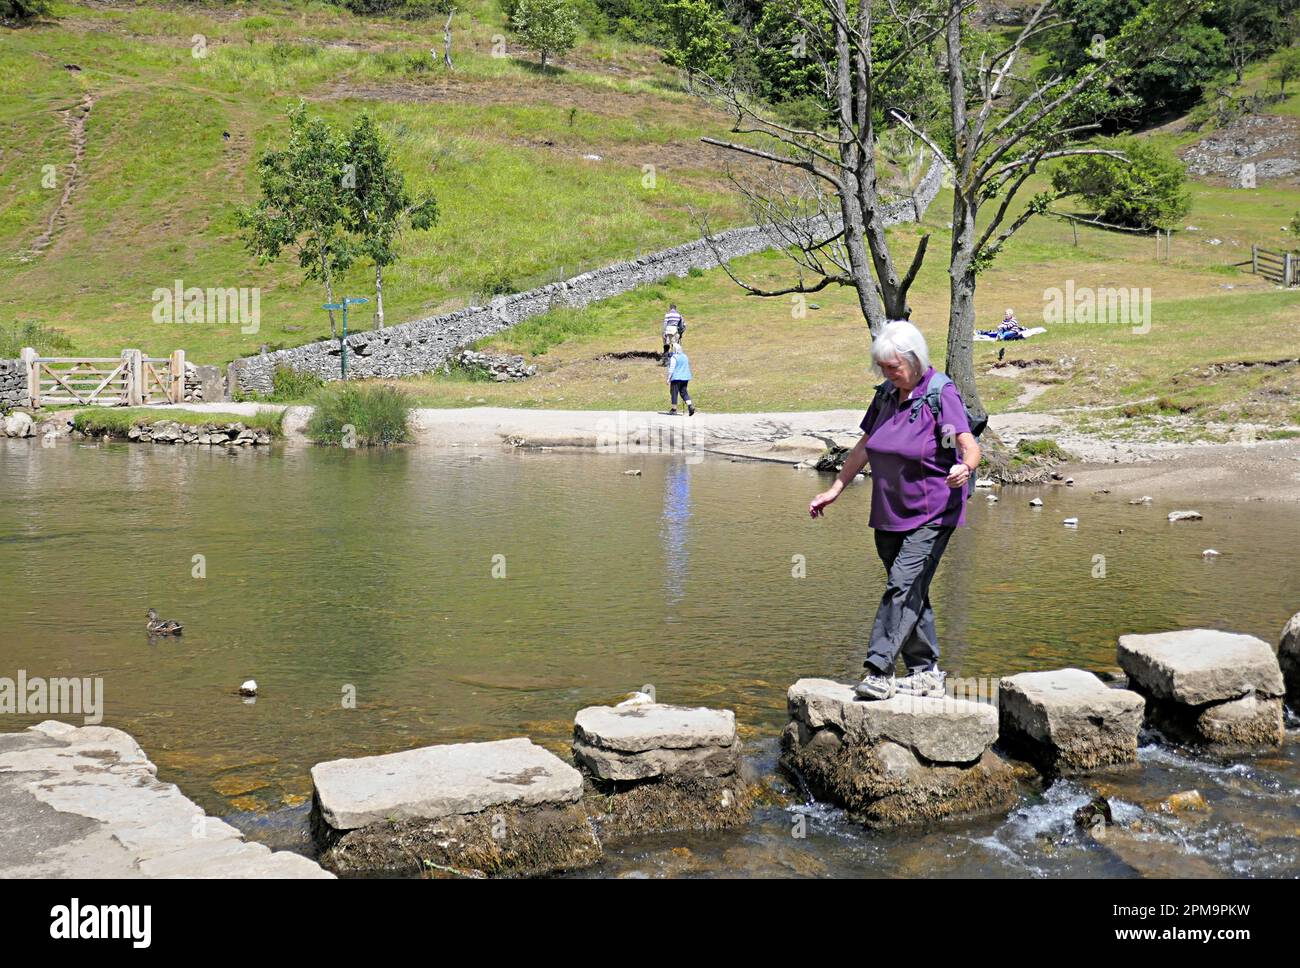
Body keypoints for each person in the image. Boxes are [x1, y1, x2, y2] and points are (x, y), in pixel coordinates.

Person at [808, 320, 980, 701]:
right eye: (882, 367)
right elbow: (864, 447)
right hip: (888, 512)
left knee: (902, 585)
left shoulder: (940, 393)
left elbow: (968, 445)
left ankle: (879, 670)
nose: (887, 373)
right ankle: (926, 672)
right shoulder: (886, 395)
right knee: (909, 588)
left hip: (933, 511)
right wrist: (835, 489)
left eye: (893, 367)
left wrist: (964, 468)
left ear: (915, 359)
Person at [666, 343, 695, 416]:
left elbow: (671, 369)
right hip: (685, 377)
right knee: (684, 392)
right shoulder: (685, 356)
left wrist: (668, 378)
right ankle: (690, 405)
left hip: (676, 378)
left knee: (674, 392)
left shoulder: (674, 357)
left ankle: (674, 409)